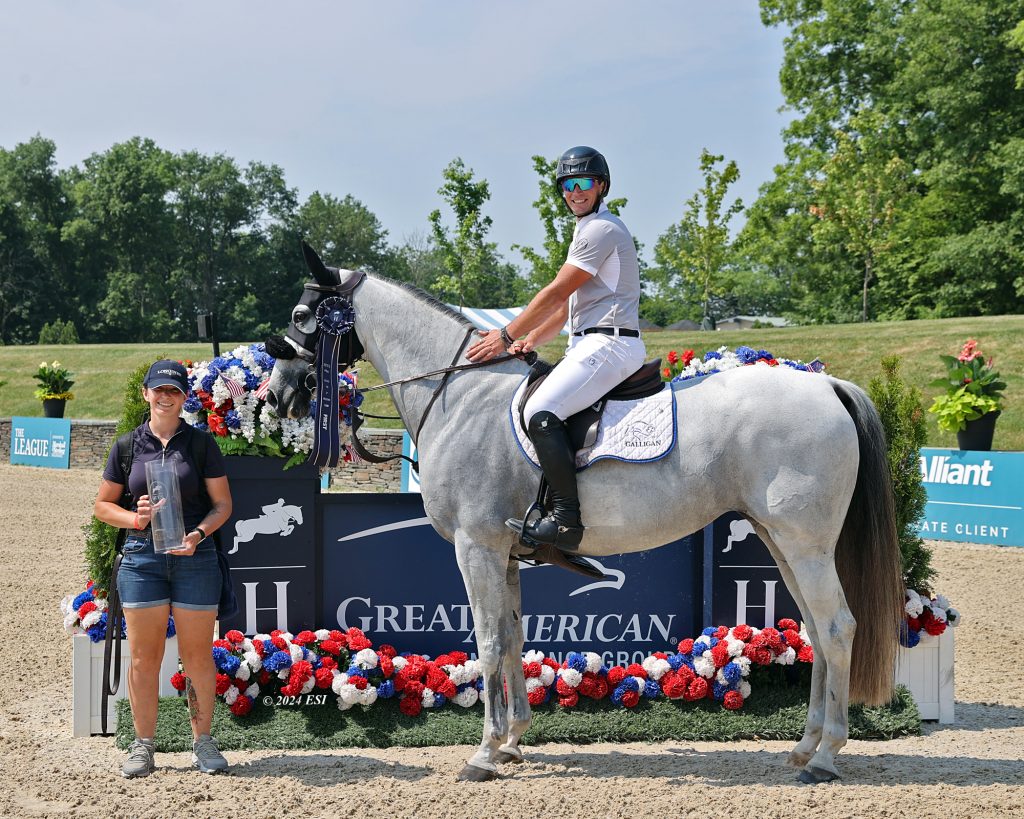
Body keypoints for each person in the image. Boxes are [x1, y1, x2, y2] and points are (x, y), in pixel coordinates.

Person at [466, 145, 645, 555]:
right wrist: (534, 339)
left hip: (611, 343)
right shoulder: (586, 230)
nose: (574, 191)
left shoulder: (601, 229)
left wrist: (507, 335)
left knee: (540, 411)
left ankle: (566, 521)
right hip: (591, 340)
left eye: (583, 182)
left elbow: (556, 292)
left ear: (601, 185)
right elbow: (568, 308)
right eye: (567, 184)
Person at [94, 360, 233, 778]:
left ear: (184, 396)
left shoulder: (201, 444)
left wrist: (199, 535)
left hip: (195, 559)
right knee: (143, 659)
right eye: (159, 390)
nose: (166, 397)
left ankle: (203, 742)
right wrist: (135, 519)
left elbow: (223, 505)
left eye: (174, 390)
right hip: (141, 560)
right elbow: (102, 507)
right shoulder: (126, 445)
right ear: (146, 394)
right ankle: (143, 746)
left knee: (197, 657)